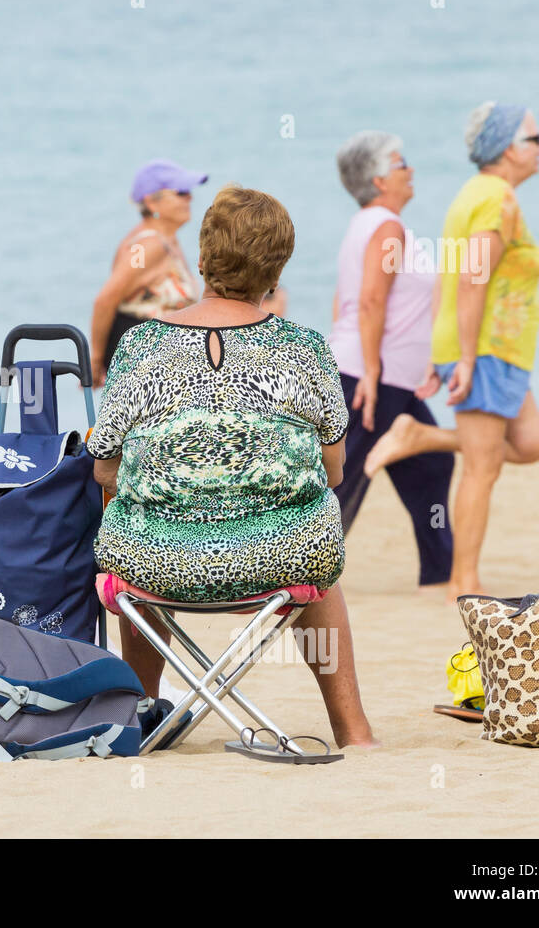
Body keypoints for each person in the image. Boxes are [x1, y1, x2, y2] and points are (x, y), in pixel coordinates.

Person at [87, 185, 376, 749]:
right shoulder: (305, 348)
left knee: (130, 513)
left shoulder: (142, 345)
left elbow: (105, 470)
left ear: (202, 257)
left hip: (158, 562)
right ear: (278, 267)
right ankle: (354, 731)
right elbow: (335, 471)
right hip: (280, 559)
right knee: (315, 545)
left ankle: (138, 714)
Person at [364, 103, 539, 602]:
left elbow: (450, 275)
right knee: (483, 467)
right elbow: (472, 279)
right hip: (487, 348)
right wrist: (463, 358)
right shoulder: (495, 199)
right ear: (509, 148)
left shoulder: (476, 194)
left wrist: (439, 351)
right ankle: (464, 583)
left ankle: (421, 434)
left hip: (492, 347)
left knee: (531, 443)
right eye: (534, 139)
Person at [328, 131, 453, 594]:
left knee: (431, 461)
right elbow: (369, 303)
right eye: (402, 163)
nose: (411, 169)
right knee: (342, 483)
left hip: (379, 374)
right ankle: (294, 580)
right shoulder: (386, 227)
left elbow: (346, 300)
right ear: (380, 179)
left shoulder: (368, 223)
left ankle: (440, 576)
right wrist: (373, 375)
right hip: (370, 377)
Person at [89, 160, 207, 386]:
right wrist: (95, 362)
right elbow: (106, 299)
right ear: (152, 202)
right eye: (181, 192)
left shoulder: (165, 241)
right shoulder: (146, 246)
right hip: (145, 367)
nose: (190, 198)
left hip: (160, 365)